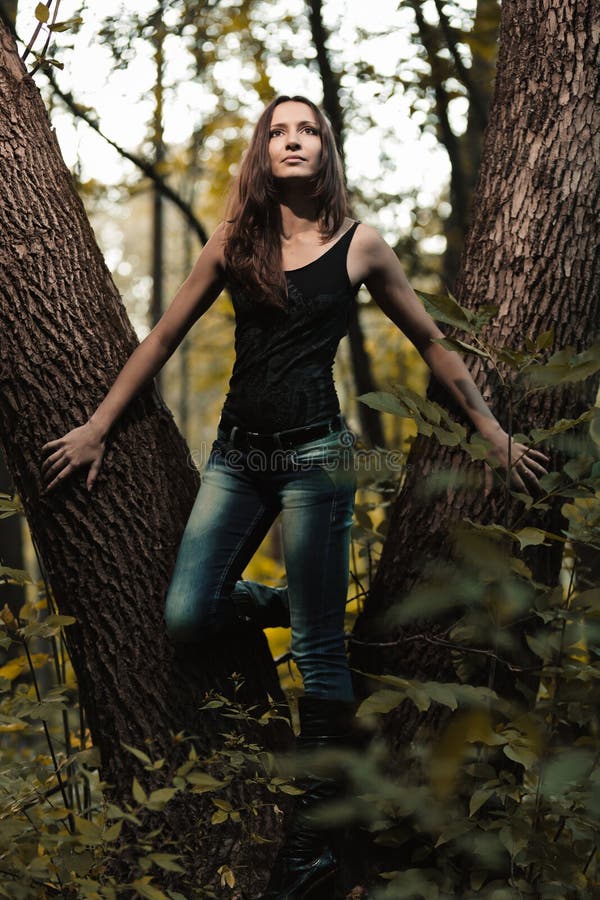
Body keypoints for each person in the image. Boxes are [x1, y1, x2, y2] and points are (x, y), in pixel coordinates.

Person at [40, 95, 548, 899]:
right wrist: (99, 425)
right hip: (237, 459)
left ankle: (311, 848)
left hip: (317, 459)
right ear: (262, 153)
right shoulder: (234, 245)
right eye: (279, 132)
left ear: (326, 150)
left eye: (307, 130)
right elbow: (162, 338)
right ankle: (292, 602)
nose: (293, 141)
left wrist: (492, 432)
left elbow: (431, 341)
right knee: (185, 612)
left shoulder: (361, 247)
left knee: (318, 657)